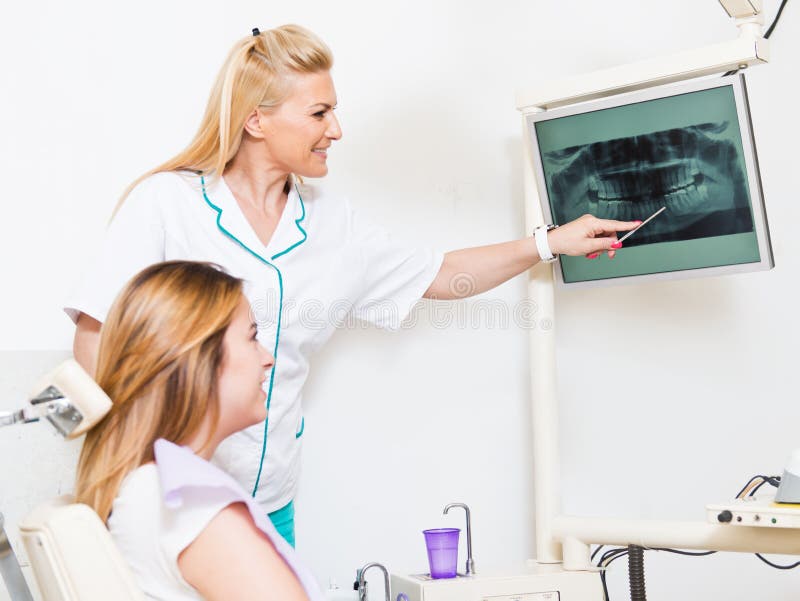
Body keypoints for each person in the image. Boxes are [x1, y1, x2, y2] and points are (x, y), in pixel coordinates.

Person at [66, 24, 637, 545]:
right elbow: (96, 335)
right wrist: (125, 474)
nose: (336, 130)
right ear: (256, 120)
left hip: (268, 502)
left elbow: (436, 274)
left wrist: (547, 244)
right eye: (319, 113)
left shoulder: (330, 223)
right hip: (163, 494)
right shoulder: (168, 204)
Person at [74, 260, 321, 601]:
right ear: (198, 360)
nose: (268, 358)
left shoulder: (143, 486)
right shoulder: (191, 506)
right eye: (252, 338)